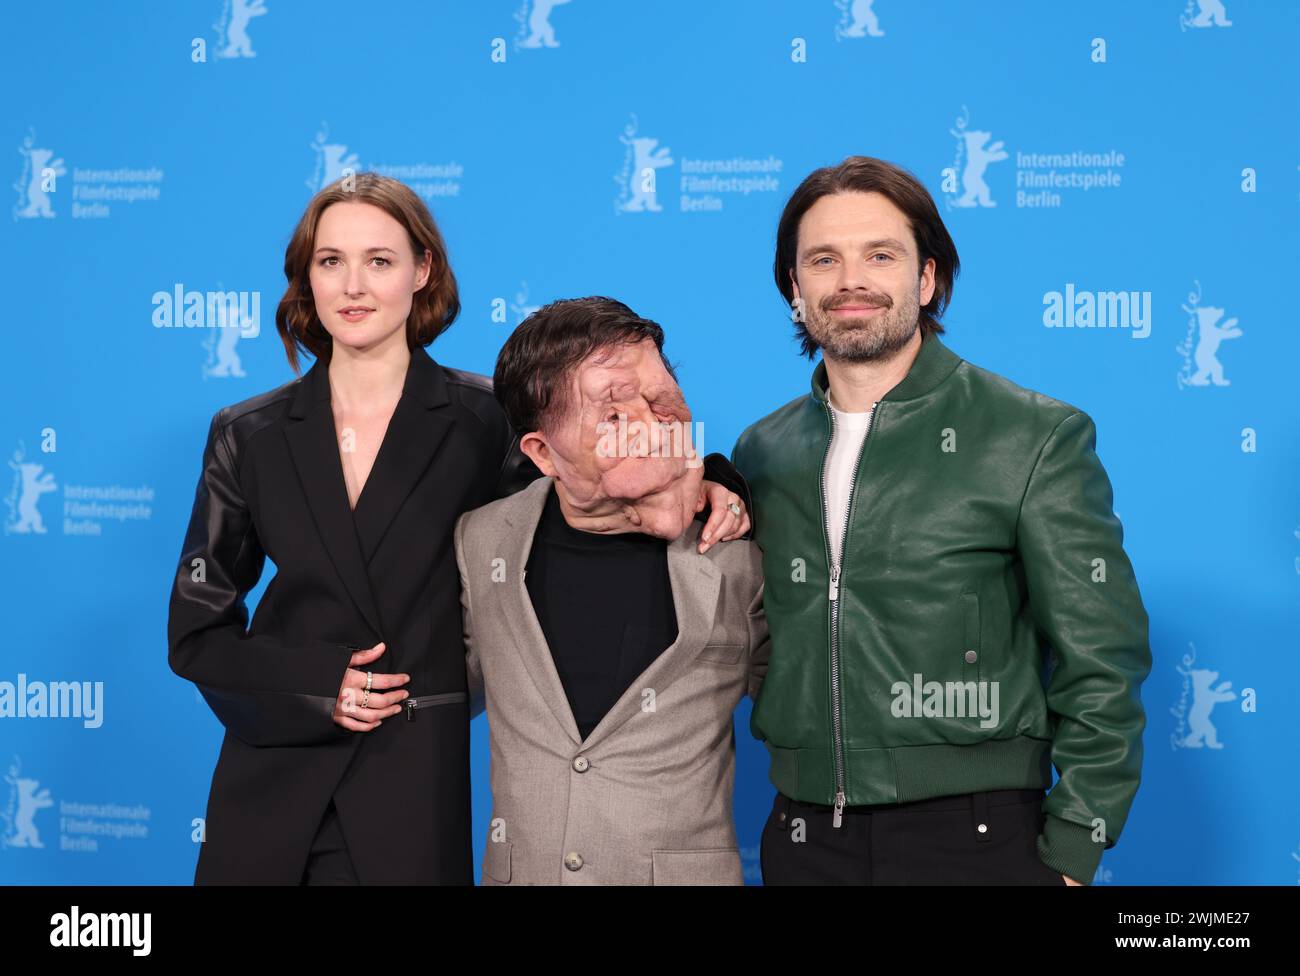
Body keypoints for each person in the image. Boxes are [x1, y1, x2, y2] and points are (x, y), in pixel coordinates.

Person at [166, 173, 749, 884]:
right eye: (330, 261)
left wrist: (714, 480)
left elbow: (598, 487)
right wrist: (317, 685)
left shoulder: (486, 421)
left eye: (379, 260)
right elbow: (197, 634)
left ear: (422, 271)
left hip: (409, 782)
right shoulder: (246, 433)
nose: (353, 284)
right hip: (270, 782)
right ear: (305, 280)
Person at [733, 156, 1152, 886]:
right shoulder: (761, 451)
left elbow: (1103, 660)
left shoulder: (1031, 436)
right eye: (823, 260)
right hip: (802, 837)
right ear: (793, 290)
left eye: (881, 255)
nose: (850, 280)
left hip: (977, 838)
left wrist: (1074, 856)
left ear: (926, 280)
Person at [455, 297, 769, 884]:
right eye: (612, 414)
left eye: (658, 401)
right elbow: (442, 689)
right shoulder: (480, 543)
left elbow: (809, 707)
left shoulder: (738, 551)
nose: (649, 428)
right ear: (541, 452)